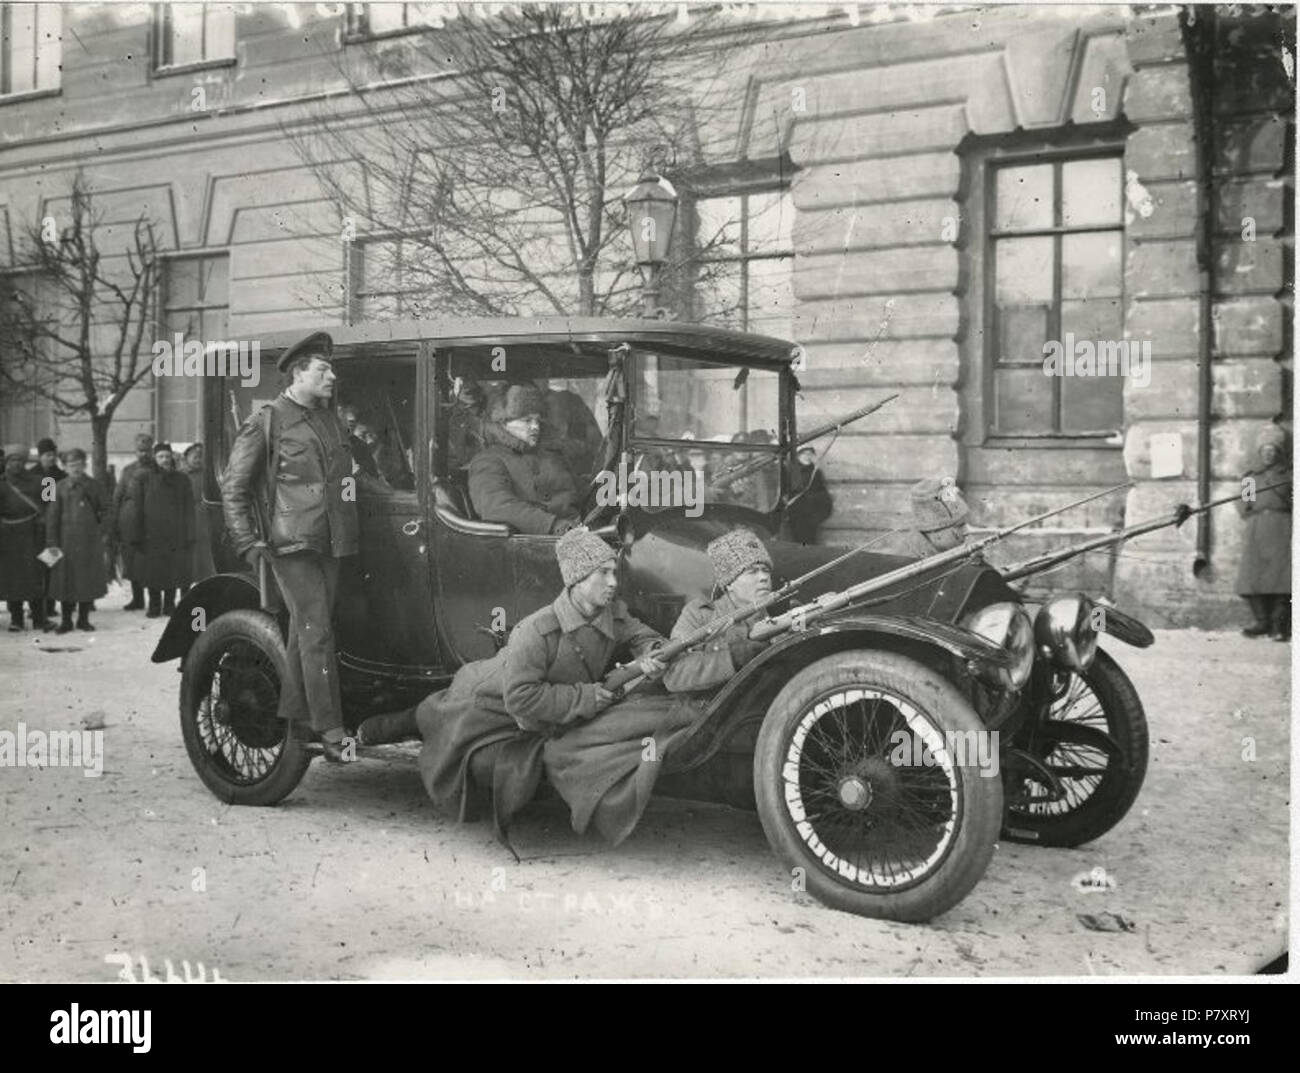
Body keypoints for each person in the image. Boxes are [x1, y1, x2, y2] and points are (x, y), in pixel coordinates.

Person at [405, 527, 693, 846]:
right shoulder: (537, 630)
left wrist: (651, 654)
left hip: (535, 707)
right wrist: (586, 696)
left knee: (424, 716)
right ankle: (366, 732)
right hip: (485, 698)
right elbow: (521, 698)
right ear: (577, 579)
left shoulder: (611, 614)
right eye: (603, 573)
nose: (613, 582)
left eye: (614, 572)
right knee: (428, 718)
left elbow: (642, 636)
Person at [221, 330, 359, 763]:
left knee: (309, 631)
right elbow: (234, 486)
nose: (332, 376)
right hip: (291, 544)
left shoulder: (328, 419)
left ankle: (298, 718)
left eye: (331, 368)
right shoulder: (268, 420)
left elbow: (346, 480)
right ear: (299, 373)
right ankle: (331, 730)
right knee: (316, 630)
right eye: (323, 369)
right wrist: (247, 542)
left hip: (332, 541)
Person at [662, 529, 774, 694]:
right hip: (705, 711)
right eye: (752, 572)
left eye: (766, 570)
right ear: (729, 583)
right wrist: (731, 659)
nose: (763, 577)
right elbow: (675, 673)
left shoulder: (772, 620)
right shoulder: (699, 614)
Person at [468, 381, 580, 534]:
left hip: (574, 533)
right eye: (526, 420)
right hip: (532, 544)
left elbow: (578, 494)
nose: (535, 427)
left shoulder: (551, 456)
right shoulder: (488, 461)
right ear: (503, 422)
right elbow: (496, 507)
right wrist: (553, 525)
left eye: (537, 420)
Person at [1236, 424, 1292, 641]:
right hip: (1257, 528)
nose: (1269, 454)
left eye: (1273, 450)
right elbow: (1245, 505)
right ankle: (1261, 622)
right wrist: (1251, 512)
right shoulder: (1251, 477)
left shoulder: (1288, 475)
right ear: (1259, 453)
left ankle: (1279, 626)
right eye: (1265, 451)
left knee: (1282, 577)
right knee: (1252, 575)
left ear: (1278, 453)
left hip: (1282, 526)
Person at [45, 448, 108, 633]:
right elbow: (52, 516)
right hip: (65, 543)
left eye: (79, 465)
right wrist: (52, 543)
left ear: (85, 465)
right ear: (64, 467)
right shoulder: (57, 487)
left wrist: (102, 531)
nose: (76, 469)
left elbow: (106, 510)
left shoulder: (95, 486)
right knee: (65, 583)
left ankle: (83, 619)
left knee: (86, 582)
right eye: (72, 465)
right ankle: (66, 621)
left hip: (90, 542)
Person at [127, 443, 193, 618]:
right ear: (155, 459)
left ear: (172, 457)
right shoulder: (145, 479)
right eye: (160, 457)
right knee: (153, 573)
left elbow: (188, 509)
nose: (164, 460)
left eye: (167, 456)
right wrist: (137, 533)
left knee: (172, 571)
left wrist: (189, 533)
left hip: (174, 533)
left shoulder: (182, 479)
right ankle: (154, 605)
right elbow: (138, 507)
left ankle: (169, 605)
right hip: (152, 533)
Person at [1, 444, 49, 631]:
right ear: (6, 462)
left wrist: (45, 522)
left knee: (37, 576)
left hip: (35, 535)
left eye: (20, 460)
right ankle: (16, 619)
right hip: (9, 537)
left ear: (26, 462)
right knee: (12, 579)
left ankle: (40, 618)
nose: (16, 464)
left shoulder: (44, 480)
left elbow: (53, 504)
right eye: (12, 460)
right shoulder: (1, 483)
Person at [112, 432, 157, 611]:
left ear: (151, 450)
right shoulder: (128, 471)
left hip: (152, 523)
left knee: (151, 562)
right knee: (131, 560)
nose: (143, 454)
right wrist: (115, 522)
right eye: (140, 450)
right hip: (130, 523)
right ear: (135, 451)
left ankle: (154, 601)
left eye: (147, 450)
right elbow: (118, 497)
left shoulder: (157, 469)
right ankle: (137, 599)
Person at [905, 476, 969, 557]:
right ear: (934, 534)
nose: (967, 531)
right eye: (959, 526)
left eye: (965, 524)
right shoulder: (904, 562)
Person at [783, 446, 834, 545]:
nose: (807, 456)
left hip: (811, 516)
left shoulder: (816, 472)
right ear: (797, 455)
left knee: (810, 543)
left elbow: (823, 494)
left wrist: (817, 515)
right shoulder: (789, 471)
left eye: (810, 454)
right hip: (794, 516)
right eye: (804, 454)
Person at [183, 443, 215, 585]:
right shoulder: (182, 476)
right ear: (187, 458)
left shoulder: (209, 476)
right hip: (186, 517)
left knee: (205, 555)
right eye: (194, 456)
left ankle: (205, 583)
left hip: (206, 518)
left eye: (200, 457)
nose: (198, 459)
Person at [338, 405, 379, 479]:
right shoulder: (329, 443)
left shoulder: (360, 445)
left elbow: (372, 474)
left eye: (353, 421)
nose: (352, 420)